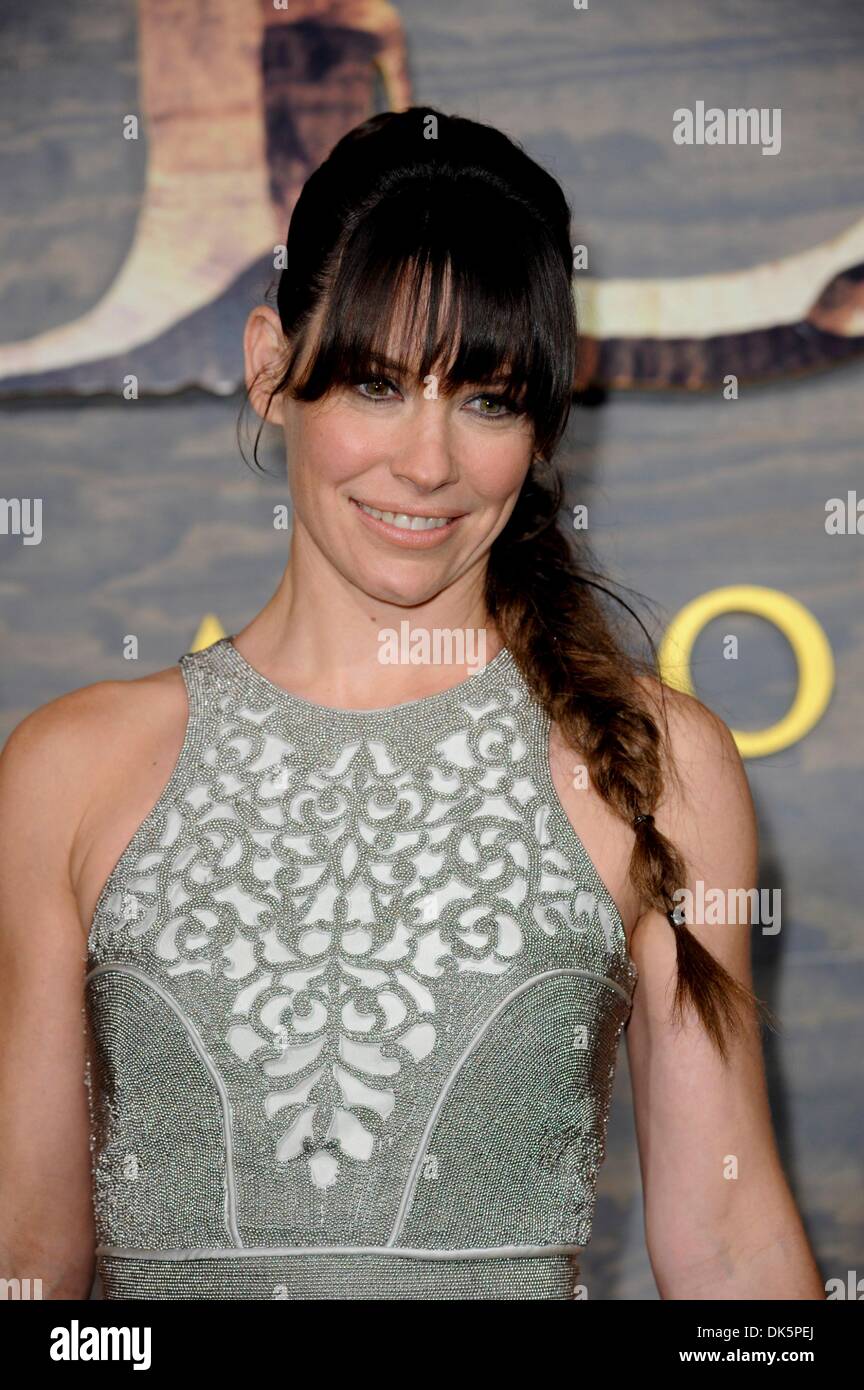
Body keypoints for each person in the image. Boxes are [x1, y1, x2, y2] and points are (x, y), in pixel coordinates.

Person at [0, 107, 824, 1301]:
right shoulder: (68, 767)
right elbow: (30, 1268)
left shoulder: (659, 762)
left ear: (545, 420)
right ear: (270, 368)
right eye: (379, 384)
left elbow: (732, 1247)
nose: (428, 462)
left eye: (486, 397)